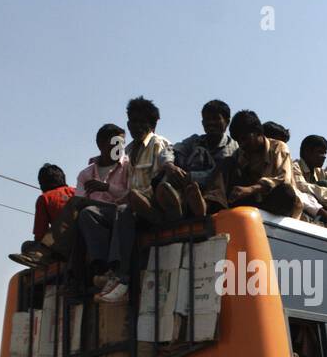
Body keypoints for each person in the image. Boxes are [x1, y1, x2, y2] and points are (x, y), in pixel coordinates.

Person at [75, 124, 136, 303]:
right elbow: (79, 199)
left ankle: (114, 270)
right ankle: (100, 268)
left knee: (121, 211)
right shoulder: (86, 174)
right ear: (101, 144)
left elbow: (130, 194)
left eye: (122, 143)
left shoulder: (128, 166)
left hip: (121, 212)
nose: (119, 147)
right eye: (115, 142)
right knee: (85, 214)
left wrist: (106, 187)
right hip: (95, 215)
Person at [225, 110, 301, 217]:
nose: (242, 144)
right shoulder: (239, 154)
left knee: (285, 191)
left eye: (245, 139)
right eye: (239, 141)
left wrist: (251, 189)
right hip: (253, 204)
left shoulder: (279, 147)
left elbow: (284, 179)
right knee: (227, 163)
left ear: (258, 132)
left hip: (275, 202)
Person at [171, 99, 238, 217]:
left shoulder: (234, 148)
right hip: (189, 187)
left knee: (225, 165)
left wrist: (192, 177)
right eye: (207, 119)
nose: (211, 123)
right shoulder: (195, 141)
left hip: (217, 198)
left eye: (216, 119)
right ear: (202, 123)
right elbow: (171, 150)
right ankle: (173, 201)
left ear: (227, 122)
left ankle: (204, 204)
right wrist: (169, 165)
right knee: (174, 161)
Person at [9, 163, 81, 267]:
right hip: (83, 239)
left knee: (26, 246)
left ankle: (43, 260)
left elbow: (40, 234)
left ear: (42, 184)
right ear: (63, 179)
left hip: (63, 247)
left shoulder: (45, 198)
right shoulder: (77, 191)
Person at [122, 95, 179, 224]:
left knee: (130, 202)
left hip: (153, 205)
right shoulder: (127, 151)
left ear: (152, 125)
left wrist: (138, 199)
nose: (137, 126)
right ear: (128, 124)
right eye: (133, 121)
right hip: (132, 207)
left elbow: (159, 182)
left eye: (142, 122)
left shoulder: (158, 144)